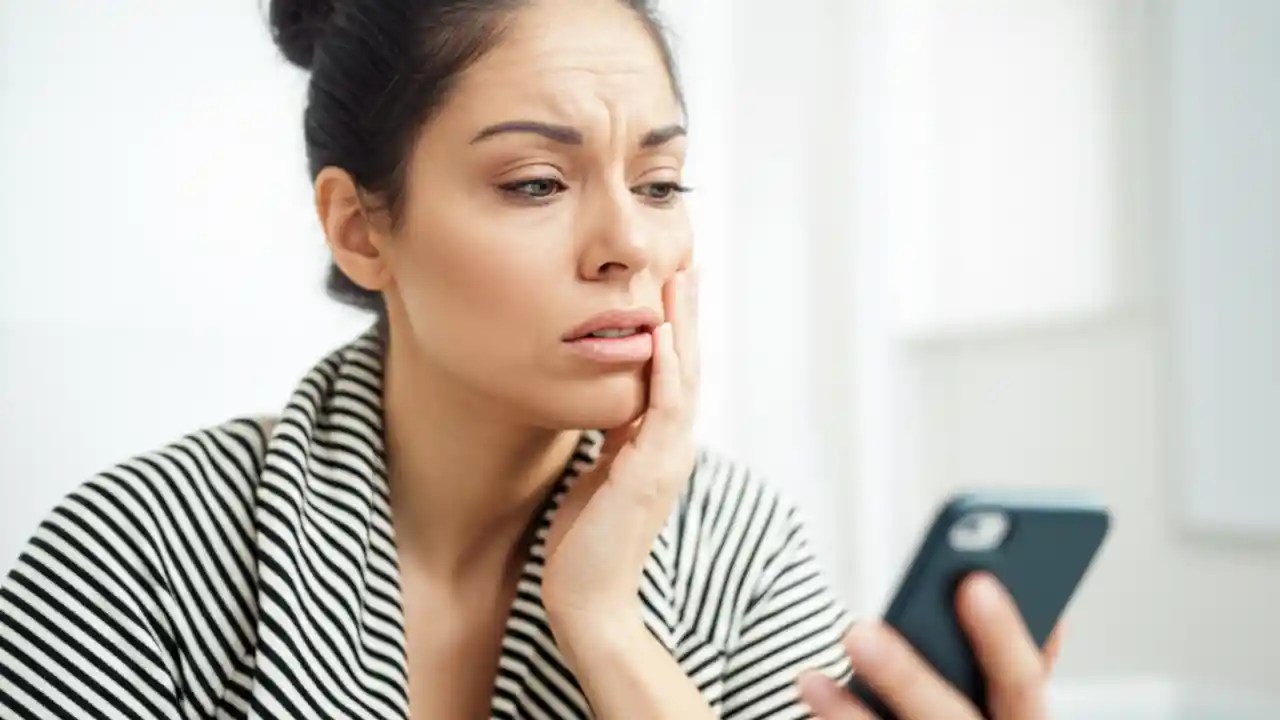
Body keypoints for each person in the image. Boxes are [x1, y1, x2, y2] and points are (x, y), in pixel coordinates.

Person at [0, 0, 1064, 717]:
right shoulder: (144, 555)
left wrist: (607, 630)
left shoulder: (739, 554)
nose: (630, 245)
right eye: (535, 183)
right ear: (362, 228)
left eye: (658, 183)